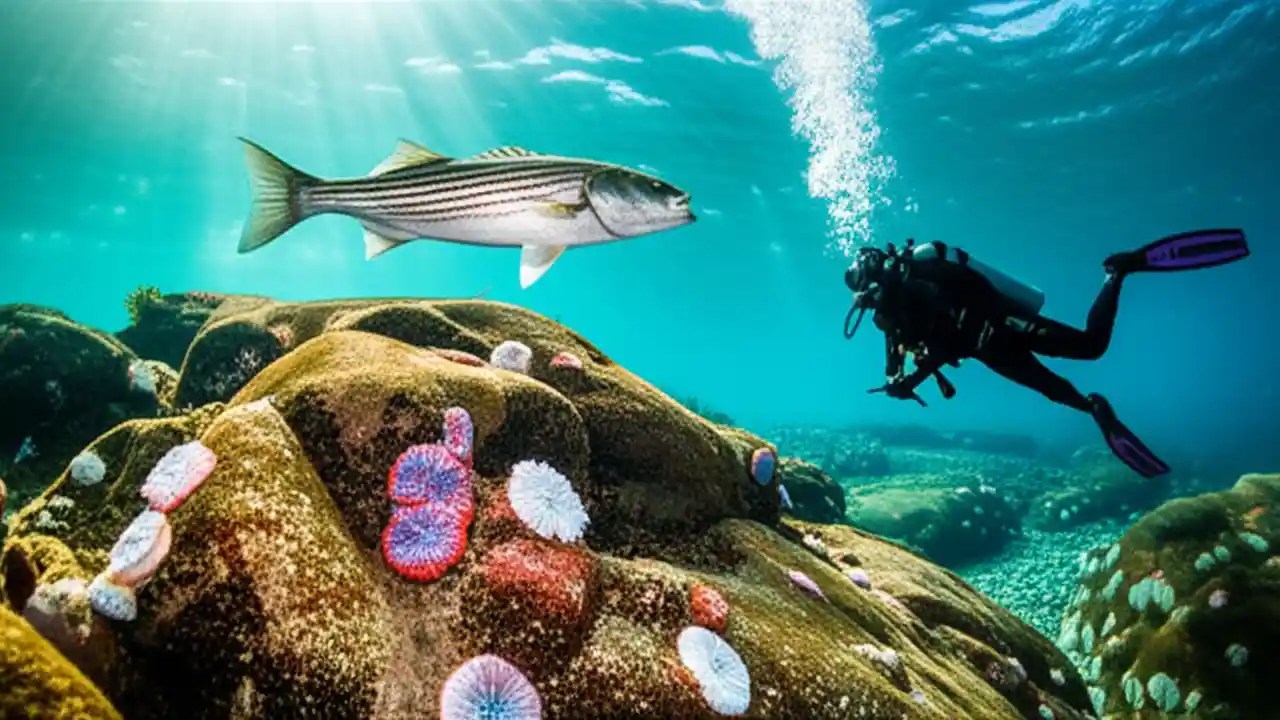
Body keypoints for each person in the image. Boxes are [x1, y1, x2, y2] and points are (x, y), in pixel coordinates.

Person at [842, 229, 1250, 478]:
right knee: (1052, 389)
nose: (870, 299)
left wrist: (913, 376)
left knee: (1090, 347)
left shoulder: (919, 276)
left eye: (868, 289)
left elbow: (960, 314)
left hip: (1004, 324)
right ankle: (1094, 409)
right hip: (990, 351)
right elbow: (900, 356)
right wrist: (898, 382)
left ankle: (1119, 271)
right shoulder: (890, 317)